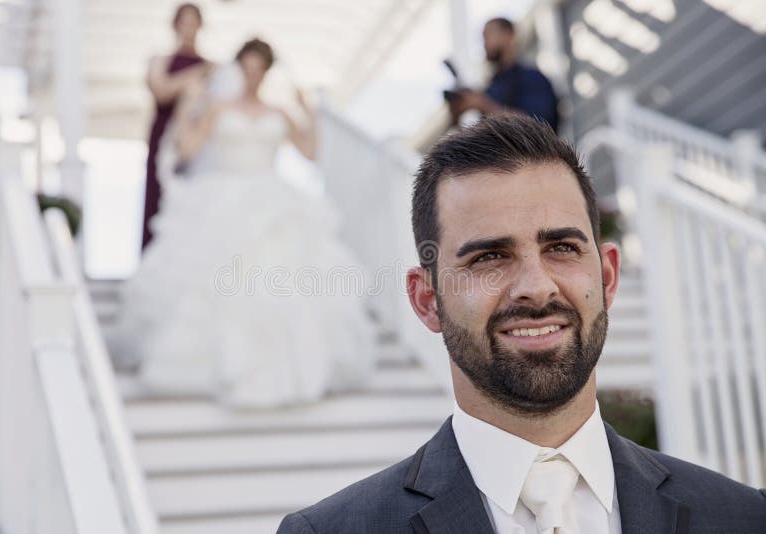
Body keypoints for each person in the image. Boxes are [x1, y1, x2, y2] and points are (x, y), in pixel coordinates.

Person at [276, 116, 766, 532]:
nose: (537, 286)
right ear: (427, 300)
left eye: (561, 248)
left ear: (609, 276)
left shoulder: (744, 518)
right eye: (490, 256)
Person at [109, 38, 376, 408]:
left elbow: (310, 153)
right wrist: (189, 110)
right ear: (238, 69)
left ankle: (288, 365)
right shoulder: (217, 108)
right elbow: (188, 150)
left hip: (272, 197)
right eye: (246, 68)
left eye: (259, 69)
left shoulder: (280, 112)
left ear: (266, 72)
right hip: (222, 195)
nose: (252, 76)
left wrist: (307, 113)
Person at [141, 2, 209, 250]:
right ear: (175, 25)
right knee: (156, 199)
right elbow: (161, 91)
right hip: (162, 137)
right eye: (184, 22)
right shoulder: (161, 60)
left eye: (193, 22)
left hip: (193, 142)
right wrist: (197, 74)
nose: (188, 28)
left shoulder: (210, 67)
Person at [448, 17, 559, 131]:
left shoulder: (531, 77)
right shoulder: (492, 88)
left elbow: (538, 125)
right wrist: (456, 115)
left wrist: (483, 105)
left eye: (488, 35)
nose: (484, 44)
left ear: (509, 35)